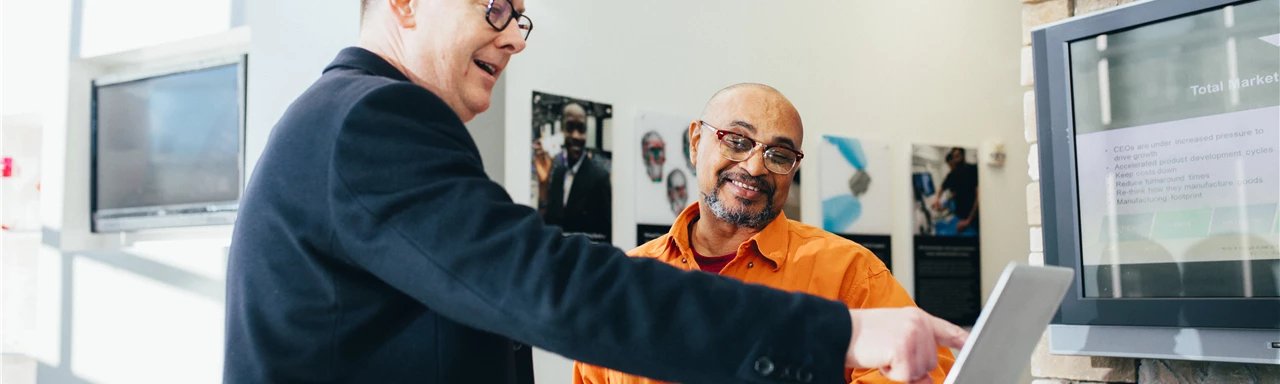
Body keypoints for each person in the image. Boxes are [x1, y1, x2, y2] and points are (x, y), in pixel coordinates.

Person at [223, 0, 967, 383]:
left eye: (521, 18)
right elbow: (549, 285)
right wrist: (835, 333)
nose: (514, 35)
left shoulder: (349, 120)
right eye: (494, 5)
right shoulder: (370, 119)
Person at [573, 84, 956, 384]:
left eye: (779, 154)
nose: (755, 166)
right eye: (737, 141)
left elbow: (926, 373)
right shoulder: (627, 281)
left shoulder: (850, 275)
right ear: (695, 143)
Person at [543, 103, 612, 241]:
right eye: (570, 128)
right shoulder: (557, 173)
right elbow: (549, 222)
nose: (576, 136)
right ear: (562, 130)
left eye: (581, 129)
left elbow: (605, 236)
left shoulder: (600, 178)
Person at [932, 147, 979, 234]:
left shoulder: (973, 169)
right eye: (954, 157)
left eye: (958, 156)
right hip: (959, 216)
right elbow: (942, 188)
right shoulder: (952, 175)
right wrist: (937, 200)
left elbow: (978, 196)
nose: (956, 160)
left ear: (963, 156)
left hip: (973, 217)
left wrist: (969, 220)